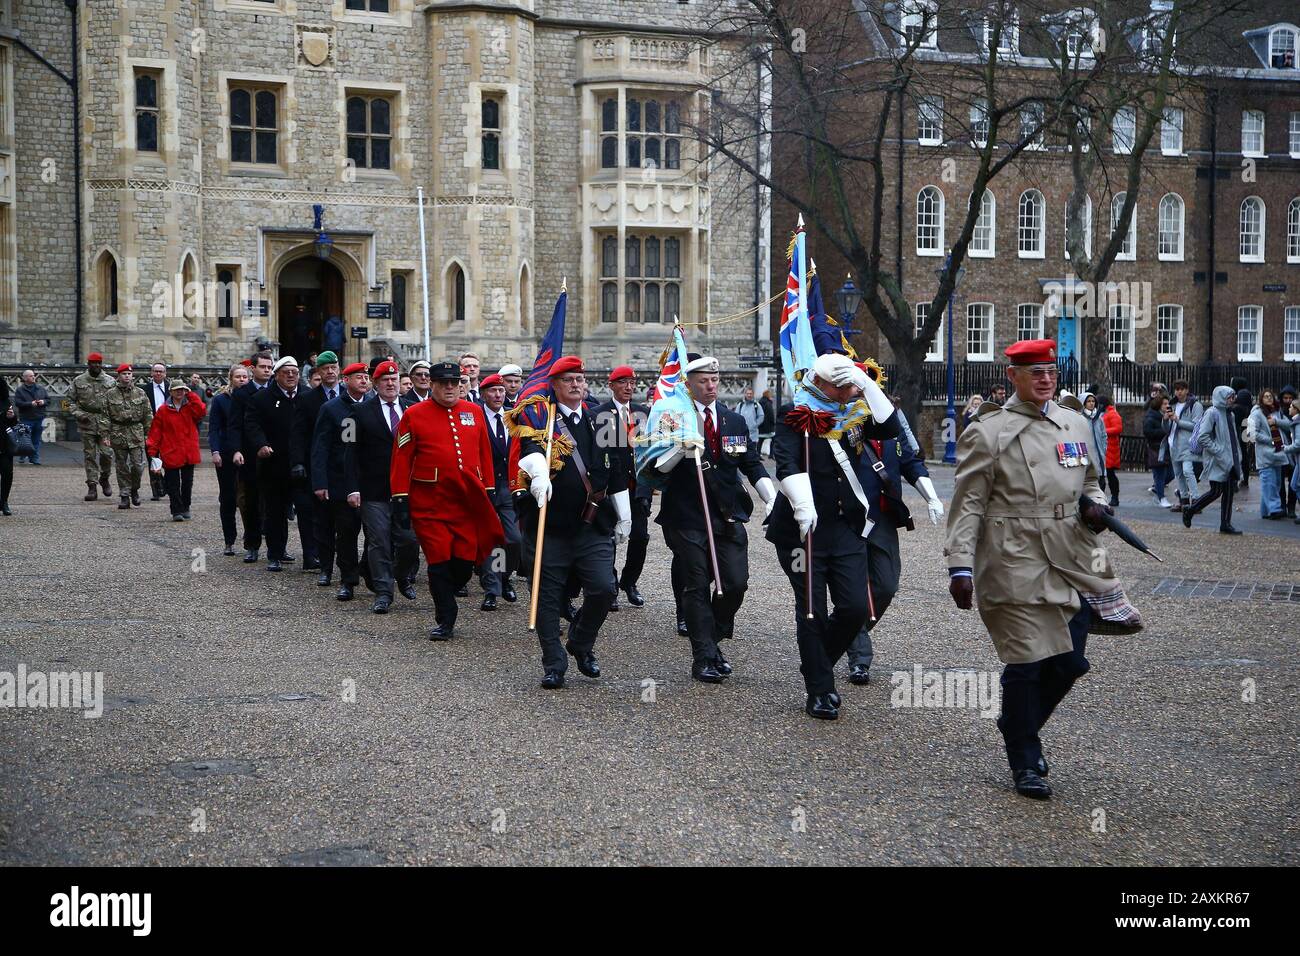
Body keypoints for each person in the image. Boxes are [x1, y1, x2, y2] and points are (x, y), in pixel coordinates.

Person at [946, 339, 1135, 799]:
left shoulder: (1072, 420)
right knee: (1027, 662)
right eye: (1035, 372)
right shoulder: (988, 431)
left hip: (1071, 554)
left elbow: (1090, 479)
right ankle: (1025, 757)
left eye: (1050, 370)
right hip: (1014, 555)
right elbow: (968, 503)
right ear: (1013, 376)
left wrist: (1096, 505)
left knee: (1070, 662)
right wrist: (959, 566)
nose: (1046, 378)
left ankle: (1015, 722)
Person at [767, 351, 900, 719]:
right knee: (811, 610)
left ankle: (816, 665)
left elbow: (890, 428)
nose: (847, 392)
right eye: (840, 386)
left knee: (855, 606)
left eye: (849, 386)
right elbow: (786, 462)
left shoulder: (855, 413)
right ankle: (821, 690)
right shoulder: (794, 416)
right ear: (820, 383)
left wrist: (867, 384)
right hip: (801, 531)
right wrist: (802, 503)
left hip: (845, 527)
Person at [654, 354, 774, 682]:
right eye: (703, 380)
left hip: (727, 514)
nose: (710, 386)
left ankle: (714, 638)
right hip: (686, 516)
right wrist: (679, 448)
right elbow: (654, 469)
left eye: (714, 380)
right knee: (697, 584)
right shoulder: (672, 418)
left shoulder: (732, 420)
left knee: (735, 584)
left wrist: (771, 497)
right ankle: (703, 656)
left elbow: (750, 463)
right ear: (688, 383)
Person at [515, 356, 631, 688]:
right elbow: (530, 451)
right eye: (568, 380)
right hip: (550, 528)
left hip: (592, 525)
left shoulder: (605, 421)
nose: (576, 384)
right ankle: (554, 663)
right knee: (548, 598)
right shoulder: (542, 421)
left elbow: (619, 472)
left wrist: (625, 516)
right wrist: (538, 474)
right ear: (554, 385)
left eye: (580, 379)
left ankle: (581, 642)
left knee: (604, 590)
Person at [844, 370, 945, 685]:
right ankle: (859, 656)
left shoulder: (894, 424)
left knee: (886, 586)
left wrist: (930, 495)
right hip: (850, 518)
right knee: (855, 593)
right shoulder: (844, 423)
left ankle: (844, 631)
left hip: (884, 519)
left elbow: (911, 462)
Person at [391, 361, 503, 639]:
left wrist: (488, 487)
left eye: (455, 383)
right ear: (432, 385)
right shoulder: (414, 414)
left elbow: (484, 451)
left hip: (466, 500)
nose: (451, 388)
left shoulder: (474, 411)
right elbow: (402, 457)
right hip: (430, 501)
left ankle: (447, 591)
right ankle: (446, 617)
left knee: (465, 560)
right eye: (444, 383)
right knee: (439, 558)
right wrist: (400, 497)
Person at [343, 360, 420, 614]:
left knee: (409, 541)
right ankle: (383, 592)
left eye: (394, 379)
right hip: (373, 490)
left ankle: (401, 575)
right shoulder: (359, 412)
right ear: (375, 384)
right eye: (384, 380)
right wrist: (352, 488)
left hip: (406, 490)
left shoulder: (413, 410)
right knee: (378, 542)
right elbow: (349, 453)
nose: (390, 383)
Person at [592, 366, 652, 609]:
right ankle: (611, 585)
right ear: (612, 385)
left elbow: (649, 455)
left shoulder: (642, 413)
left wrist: (647, 490)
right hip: (611, 490)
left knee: (640, 538)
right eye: (623, 383)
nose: (629, 387)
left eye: (632, 383)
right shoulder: (599, 413)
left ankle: (629, 581)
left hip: (637, 489)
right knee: (611, 538)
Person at [312, 362, 372, 597]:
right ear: (346, 380)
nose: (364, 381)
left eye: (366, 377)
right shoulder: (331, 408)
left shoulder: (374, 406)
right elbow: (321, 447)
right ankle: (348, 579)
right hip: (340, 479)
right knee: (346, 533)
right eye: (359, 377)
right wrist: (320, 482)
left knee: (375, 532)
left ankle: (368, 569)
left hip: (369, 479)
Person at [244, 356, 303, 571]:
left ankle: (313, 556)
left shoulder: (305, 396)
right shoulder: (262, 398)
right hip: (273, 464)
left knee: (306, 511)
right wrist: (261, 444)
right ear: (276, 375)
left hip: (301, 464)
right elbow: (252, 423)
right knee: (275, 511)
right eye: (285, 372)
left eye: (294, 372)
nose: (290, 375)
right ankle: (275, 553)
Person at [290, 351, 344, 575]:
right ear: (318, 372)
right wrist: (298, 462)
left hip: (344, 465)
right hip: (318, 465)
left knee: (346, 519)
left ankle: (345, 561)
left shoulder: (349, 396)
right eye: (325, 369)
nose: (330, 371)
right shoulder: (307, 399)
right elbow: (298, 433)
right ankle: (321, 560)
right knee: (320, 517)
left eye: (333, 367)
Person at [476, 373, 520, 610]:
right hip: (486, 487)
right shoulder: (476, 416)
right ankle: (491, 590)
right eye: (493, 391)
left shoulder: (514, 416)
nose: (498, 395)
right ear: (484, 394)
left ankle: (504, 577)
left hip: (510, 488)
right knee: (491, 539)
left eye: (501, 391)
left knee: (514, 539)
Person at [229, 350, 275, 562]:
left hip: (275, 452)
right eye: (263, 367)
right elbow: (235, 424)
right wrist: (236, 450)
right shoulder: (241, 393)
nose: (267, 370)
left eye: (269, 367)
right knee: (251, 501)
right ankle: (252, 544)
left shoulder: (278, 388)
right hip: (249, 454)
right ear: (253, 368)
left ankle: (276, 547)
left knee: (276, 501)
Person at [1181, 386, 1243, 535]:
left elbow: (1232, 437)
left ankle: (1225, 523)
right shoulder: (1212, 413)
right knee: (1216, 491)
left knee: (1228, 491)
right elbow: (1203, 436)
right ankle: (1190, 510)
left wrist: (1237, 455)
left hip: (1229, 458)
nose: (1232, 400)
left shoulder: (1230, 414)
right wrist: (1218, 451)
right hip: (1217, 459)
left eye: (1233, 397)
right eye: (1229, 397)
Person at [146, 379, 206, 521]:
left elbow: (201, 411)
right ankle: (176, 510)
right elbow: (156, 432)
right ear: (171, 391)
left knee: (187, 482)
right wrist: (152, 452)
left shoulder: (190, 407)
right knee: (173, 484)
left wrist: (191, 394)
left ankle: (185, 506)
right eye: (177, 389)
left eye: (182, 389)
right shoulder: (163, 410)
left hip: (188, 451)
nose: (180, 392)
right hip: (171, 451)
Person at [209, 364, 249, 555]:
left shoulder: (253, 397)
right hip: (226, 452)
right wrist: (215, 451)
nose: (242, 380)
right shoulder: (221, 400)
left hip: (248, 451)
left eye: (244, 377)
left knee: (250, 497)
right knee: (228, 497)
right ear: (231, 378)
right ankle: (229, 540)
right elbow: (214, 428)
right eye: (238, 377)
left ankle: (250, 536)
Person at [105, 364, 154, 509]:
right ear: (118, 376)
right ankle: (124, 495)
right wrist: (105, 434)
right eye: (124, 374)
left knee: (138, 466)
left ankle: (134, 489)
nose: (127, 376)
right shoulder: (110, 394)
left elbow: (148, 414)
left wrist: (148, 434)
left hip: (136, 433)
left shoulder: (140, 393)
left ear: (132, 376)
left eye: (129, 374)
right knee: (121, 466)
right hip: (118, 431)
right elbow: (104, 415)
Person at [69, 353, 116, 501]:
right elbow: (71, 401)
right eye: (93, 363)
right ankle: (92, 486)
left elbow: (116, 400)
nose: (96, 366)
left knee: (107, 453)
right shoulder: (79, 381)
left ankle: (104, 477)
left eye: (99, 363)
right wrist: (78, 413)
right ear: (88, 364)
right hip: (86, 421)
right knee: (90, 455)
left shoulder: (110, 381)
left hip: (104, 423)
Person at [1248, 388, 1289, 519]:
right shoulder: (1256, 413)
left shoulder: (1277, 412)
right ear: (1261, 399)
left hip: (1278, 452)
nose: (1269, 398)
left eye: (1270, 396)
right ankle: (1275, 509)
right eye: (1266, 396)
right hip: (1265, 453)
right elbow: (1251, 433)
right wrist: (1270, 441)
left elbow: (1288, 424)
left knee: (1275, 483)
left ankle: (1265, 511)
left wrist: (1276, 421)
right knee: (1269, 482)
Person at [1166, 380, 1203, 512]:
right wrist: (1166, 419)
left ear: (1187, 390)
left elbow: (1197, 426)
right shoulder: (1172, 404)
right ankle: (1184, 501)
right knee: (1178, 474)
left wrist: (1178, 421)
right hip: (1173, 443)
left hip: (1187, 444)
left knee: (1188, 471)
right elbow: (1166, 427)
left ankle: (1197, 501)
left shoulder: (1195, 405)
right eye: (1176, 389)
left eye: (1181, 389)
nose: (1179, 392)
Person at [138, 363, 171, 501]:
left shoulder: (172, 389)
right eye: (155, 371)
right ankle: (156, 490)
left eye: (161, 371)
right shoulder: (144, 390)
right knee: (153, 459)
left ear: (165, 373)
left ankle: (169, 486)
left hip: (168, 430)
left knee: (169, 459)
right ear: (151, 373)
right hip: (151, 429)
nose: (158, 373)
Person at [13, 370, 49, 465]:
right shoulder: (20, 390)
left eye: (33, 375)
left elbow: (48, 400)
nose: (33, 377)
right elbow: (18, 403)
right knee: (24, 439)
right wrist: (30, 404)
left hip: (39, 417)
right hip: (26, 418)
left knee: (36, 440)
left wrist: (43, 402)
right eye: (30, 376)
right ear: (24, 378)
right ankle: (22, 455)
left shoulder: (40, 388)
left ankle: (34, 458)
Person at [1142, 396, 1173, 508]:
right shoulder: (1151, 417)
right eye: (1164, 404)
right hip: (1156, 448)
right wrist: (1164, 431)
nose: (1167, 406)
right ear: (1159, 405)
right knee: (1159, 474)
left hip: (1166, 448)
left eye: (1167, 403)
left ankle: (1157, 489)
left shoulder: (1164, 416)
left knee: (1171, 473)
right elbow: (1148, 432)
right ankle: (1161, 498)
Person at [1230, 378, 1253, 491]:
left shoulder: (1239, 398)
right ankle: (1245, 479)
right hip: (1247, 426)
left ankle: (1235, 481)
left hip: (1240, 428)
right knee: (1245, 454)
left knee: (1237, 454)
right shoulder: (1248, 394)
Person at [1279, 385, 1298, 518]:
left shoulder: (1295, 415)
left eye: (1290, 398)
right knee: (1280, 481)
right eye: (1285, 398)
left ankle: (1291, 507)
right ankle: (1282, 506)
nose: (1288, 401)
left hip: (1293, 451)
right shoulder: (1278, 412)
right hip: (1281, 449)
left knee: (1293, 481)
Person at [1102, 395, 1123, 506]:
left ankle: (1115, 497)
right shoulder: (1106, 414)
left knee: (1110, 474)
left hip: (1110, 448)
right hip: (1107, 448)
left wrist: (1103, 431)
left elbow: (1118, 428)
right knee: (1105, 475)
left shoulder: (1111, 414)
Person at [0, 376, 14, 515]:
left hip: (3, 444)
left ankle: (4, 501)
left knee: (7, 474)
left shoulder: (5, 402)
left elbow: (13, 423)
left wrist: (11, 417)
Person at [758, 388, 775, 457]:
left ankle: (758, 454)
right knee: (774, 439)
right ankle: (771, 454)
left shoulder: (760, 402)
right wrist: (773, 422)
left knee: (760, 440)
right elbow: (771, 414)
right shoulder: (768, 403)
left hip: (761, 425)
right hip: (768, 426)